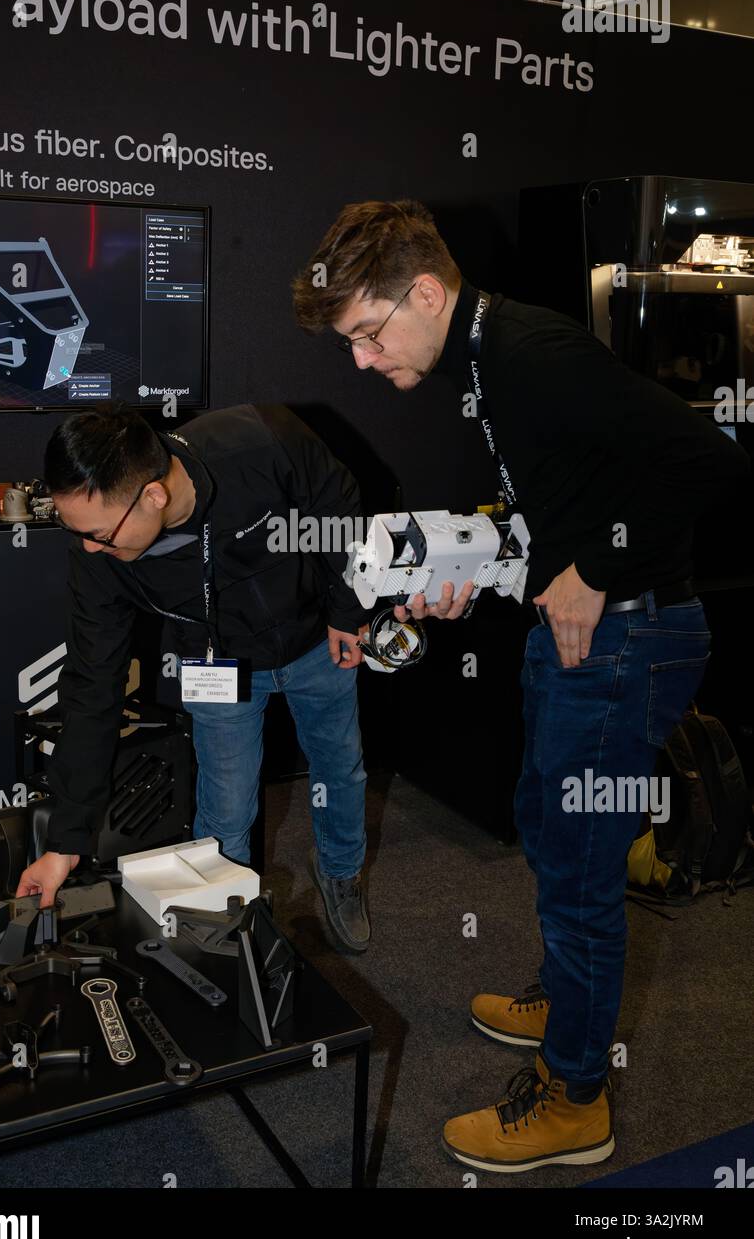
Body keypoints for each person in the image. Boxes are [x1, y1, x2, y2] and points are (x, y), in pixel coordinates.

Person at [291, 198, 750, 1170]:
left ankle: (576, 1099)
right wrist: (494, 563)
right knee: (543, 820)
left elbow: (702, 462)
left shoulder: (529, 354)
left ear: (422, 291)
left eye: (367, 335)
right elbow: (581, 492)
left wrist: (592, 574)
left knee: (581, 873)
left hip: (626, 637)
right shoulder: (486, 356)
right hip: (580, 636)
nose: (363, 363)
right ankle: (560, 997)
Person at [17, 402, 373, 953]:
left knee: (340, 771)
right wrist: (64, 842)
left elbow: (337, 507)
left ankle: (340, 871)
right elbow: (92, 686)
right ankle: (225, 920)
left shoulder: (261, 441)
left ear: (153, 496)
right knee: (225, 808)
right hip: (217, 664)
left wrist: (347, 612)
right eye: (77, 532)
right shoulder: (98, 558)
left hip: (314, 641)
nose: (90, 548)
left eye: (100, 533)